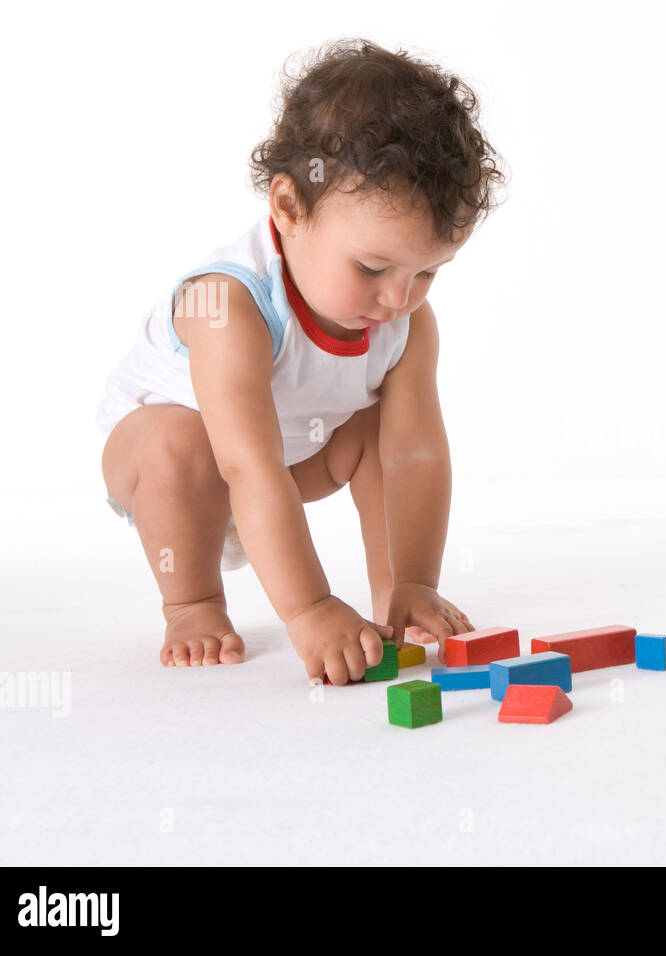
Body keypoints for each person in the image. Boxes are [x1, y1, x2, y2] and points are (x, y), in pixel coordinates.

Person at [96, 38, 506, 683]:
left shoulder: (406, 323)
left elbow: (417, 455)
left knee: (382, 429)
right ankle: (192, 601)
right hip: (184, 473)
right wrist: (310, 608)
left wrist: (418, 580)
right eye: (372, 267)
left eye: (428, 271)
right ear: (288, 209)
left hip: (291, 464)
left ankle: (396, 591)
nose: (398, 298)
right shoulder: (226, 304)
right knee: (178, 439)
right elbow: (245, 464)